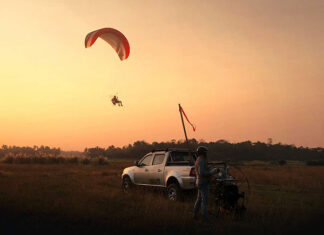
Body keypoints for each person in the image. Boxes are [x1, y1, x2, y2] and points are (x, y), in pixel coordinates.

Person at [193, 146, 217, 221]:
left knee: (199, 199)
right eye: (205, 152)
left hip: (199, 182)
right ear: (202, 153)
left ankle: (195, 215)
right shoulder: (201, 160)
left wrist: (209, 168)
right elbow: (202, 173)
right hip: (203, 182)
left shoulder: (198, 160)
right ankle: (205, 217)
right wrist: (212, 172)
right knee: (204, 200)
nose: (206, 153)